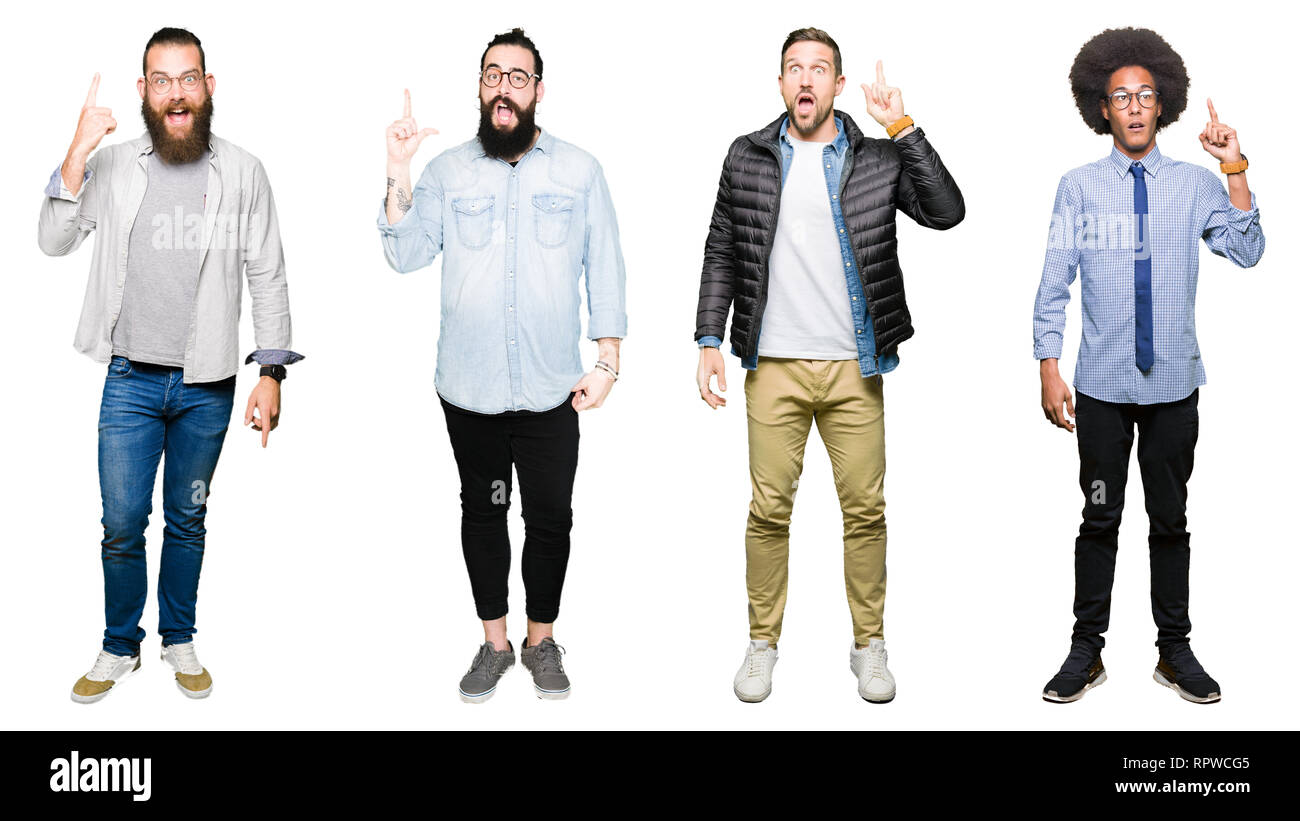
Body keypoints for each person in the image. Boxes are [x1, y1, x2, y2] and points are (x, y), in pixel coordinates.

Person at [694, 27, 963, 703]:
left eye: (819, 69)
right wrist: (707, 341)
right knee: (768, 510)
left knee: (865, 511)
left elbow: (947, 212)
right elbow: (722, 247)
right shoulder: (747, 154)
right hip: (773, 365)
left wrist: (902, 126)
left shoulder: (876, 158)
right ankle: (762, 643)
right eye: (794, 68)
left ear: (838, 85)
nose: (806, 79)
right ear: (780, 83)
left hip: (854, 366)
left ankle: (868, 646)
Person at [39, 27, 304, 703]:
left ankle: (177, 636)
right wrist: (75, 152)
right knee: (122, 522)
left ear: (208, 88)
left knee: (187, 517)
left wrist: (269, 373)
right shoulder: (116, 163)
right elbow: (53, 239)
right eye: (162, 80)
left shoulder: (244, 170)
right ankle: (118, 645)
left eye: (188, 79)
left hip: (207, 386)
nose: (176, 93)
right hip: (128, 381)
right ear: (144, 92)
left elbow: (267, 272)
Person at [377, 28, 627, 702]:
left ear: (537, 92)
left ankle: (541, 641)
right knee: (484, 513)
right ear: (481, 89)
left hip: (552, 392)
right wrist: (398, 166)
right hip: (470, 394)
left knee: (550, 519)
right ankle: (494, 644)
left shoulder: (578, 170)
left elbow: (604, 265)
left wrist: (609, 360)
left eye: (517, 77)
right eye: (493, 76)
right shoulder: (447, 172)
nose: (504, 88)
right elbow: (403, 254)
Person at [1034, 27, 1262, 704]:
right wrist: (1049, 364)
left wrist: (1235, 167)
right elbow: (1053, 281)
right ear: (1101, 109)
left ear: (1161, 104)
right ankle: (1086, 648)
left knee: (1170, 518)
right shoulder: (1077, 188)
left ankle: (1174, 648)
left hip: (1172, 390)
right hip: (1100, 390)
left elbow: (1247, 251)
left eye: (1144, 95)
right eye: (1119, 97)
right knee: (1099, 516)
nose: (1133, 106)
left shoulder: (1194, 186)